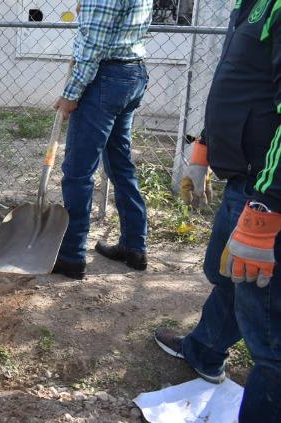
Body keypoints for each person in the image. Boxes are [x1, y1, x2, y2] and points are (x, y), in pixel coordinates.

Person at [154, 0, 281, 419]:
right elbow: (240, 81)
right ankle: (204, 350)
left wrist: (266, 210)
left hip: (268, 191)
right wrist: (205, 146)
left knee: (271, 341)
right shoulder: (254, 4)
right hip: (246, 179)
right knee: (225, 274)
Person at [51, 0, 153, 280]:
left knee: (77, 173)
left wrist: (71, 94)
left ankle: (71, 256)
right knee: (120, 165)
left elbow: (93, 46)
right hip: (132, 73)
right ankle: (134, 246)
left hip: (105, 79)